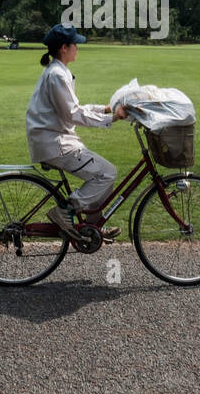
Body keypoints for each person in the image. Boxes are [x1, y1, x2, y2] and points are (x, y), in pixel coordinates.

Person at [26, 24, 128, 242]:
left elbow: (74, 108)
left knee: (101, 176)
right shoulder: (57, 75)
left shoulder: (57, 71)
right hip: (54, 143)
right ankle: (67, 209)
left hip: (53, 139)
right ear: (64, 48)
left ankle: (92, 226)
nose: (77, 49)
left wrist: (105, 109)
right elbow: (73, 114)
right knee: (107, 173)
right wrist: (112, 118)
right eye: (75, 45)